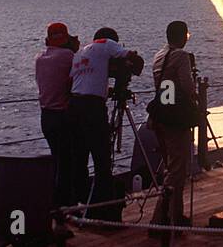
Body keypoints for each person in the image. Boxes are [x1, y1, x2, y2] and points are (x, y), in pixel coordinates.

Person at [68, 28, 144, 221]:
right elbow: (135, 59)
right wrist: (127, 66)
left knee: (79, 160)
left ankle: (82, 206)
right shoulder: (106, 44)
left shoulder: (81, 53)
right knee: (102, 160)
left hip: (74, 107)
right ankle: (102, 211)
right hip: (93, 109)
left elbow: (86, 82)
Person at [145, 20, 198, 231]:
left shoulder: (160, 55)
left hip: (161, 115)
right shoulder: (180, 56)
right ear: (182, 35)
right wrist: (196, 100)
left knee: (172, 165)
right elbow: (186, 85)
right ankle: (161, 220)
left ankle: (176, 215)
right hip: (175, 117)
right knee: (177, 168)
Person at [35, 22, 77, 206]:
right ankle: (64, 207)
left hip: (46, 116)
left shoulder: (39, 57)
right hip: (63, 116)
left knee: (56, 160)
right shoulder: (68, 56)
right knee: (67, 164)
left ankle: (52, 205)